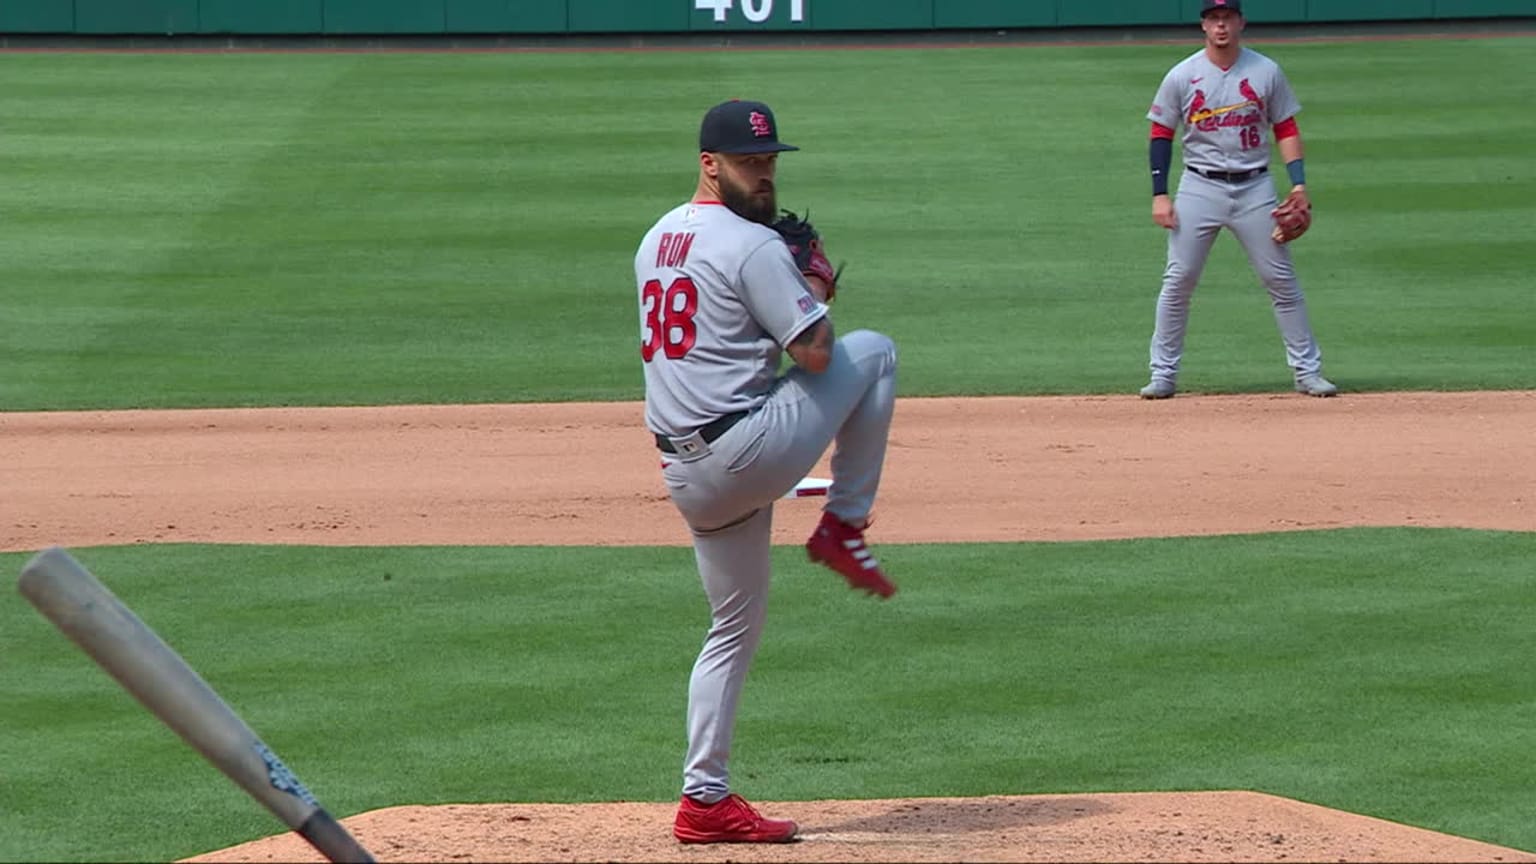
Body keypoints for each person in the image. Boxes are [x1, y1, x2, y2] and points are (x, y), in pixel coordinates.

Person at [633, 98, 900, 844]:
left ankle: (704, 800)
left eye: (770, 162)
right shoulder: (750, 248)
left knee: (732, 627)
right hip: (742, 450)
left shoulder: (655, 238)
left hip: (687, 473)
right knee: (874, 349)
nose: (764, 176)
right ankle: (844, 526)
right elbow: (814, 353)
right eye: (749, 163)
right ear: (709, 165)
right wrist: (812, 286)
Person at [1140, 0, 1337, 399]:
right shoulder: (1183, 74)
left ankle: (1307, 372)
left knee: (1280, 279)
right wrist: (1160, 194)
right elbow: (1161, 134)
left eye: (1228, 17)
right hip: (1199, 187)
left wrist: (1298, 184)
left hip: (1255, 188)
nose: (1221, 25)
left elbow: (1286, 127)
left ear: (1241, 22)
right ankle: (1162, 374)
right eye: (1214, 18)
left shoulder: (1265, 71)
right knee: (1178, 281)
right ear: (1203, 26)